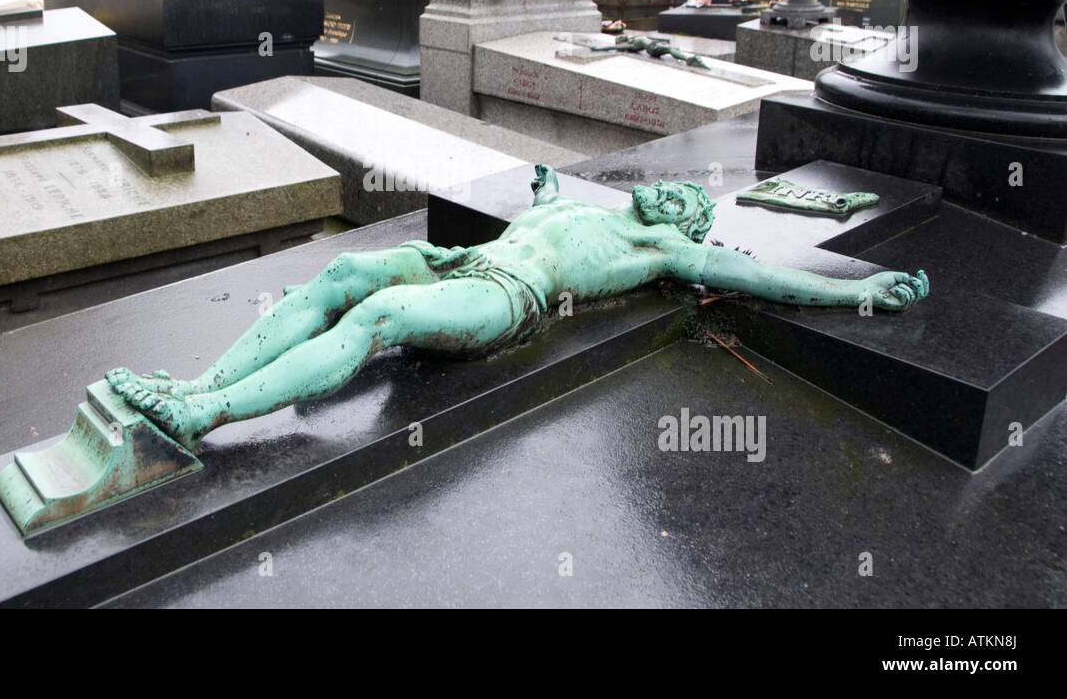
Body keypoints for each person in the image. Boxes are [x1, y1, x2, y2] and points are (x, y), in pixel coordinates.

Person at [110, 165, 928, 451]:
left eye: (687, 201)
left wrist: (853, 291)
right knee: (344, 271)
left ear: (683, 231)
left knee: (377, 317)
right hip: (465, 259)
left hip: (504, 298)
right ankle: (191, 382)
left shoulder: (663, 251)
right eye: (678, 187)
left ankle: (205, 412)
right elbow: (543, 207)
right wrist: (542, 189)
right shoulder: (586, 208)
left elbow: (757, 277)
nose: (678, 191)